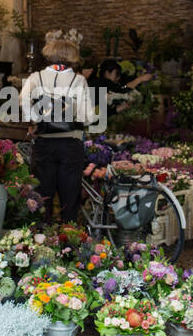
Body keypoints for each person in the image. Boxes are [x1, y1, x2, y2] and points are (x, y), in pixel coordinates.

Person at [20, 38, 93, 222]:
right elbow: (87, 116)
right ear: (72, 57)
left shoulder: (36, 77)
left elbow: (22, 102)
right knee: (69, 196)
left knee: (43, 196)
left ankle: (42, 237)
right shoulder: (79, 80)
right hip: (70, 144)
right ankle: (68, 239)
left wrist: (38, 119)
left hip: (44, 142)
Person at [86, 59, 155, 120]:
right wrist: (140, 79)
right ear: (107, 73)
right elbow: (122, 90)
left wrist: (119, 108)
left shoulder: (96, 82)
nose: (118, 78)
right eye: (116, 74)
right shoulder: (102, 82)